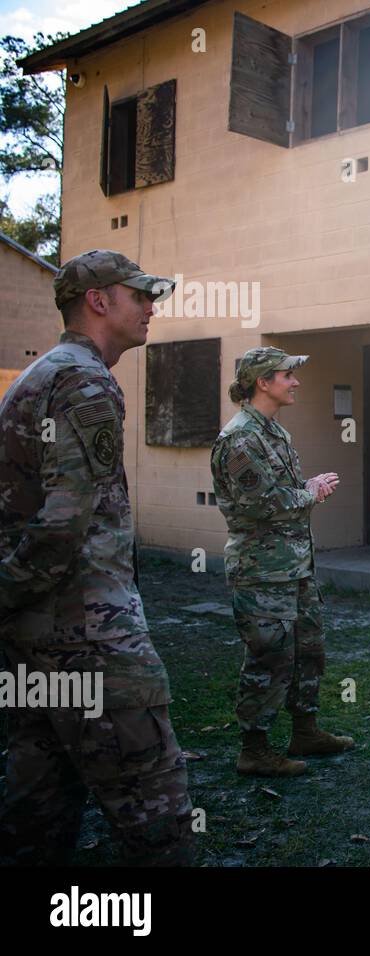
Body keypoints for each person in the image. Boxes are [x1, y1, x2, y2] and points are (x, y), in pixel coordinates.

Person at [0, 249, 193, 865]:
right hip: (88, 634)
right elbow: (64, 521)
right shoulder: (81, 379)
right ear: (99, 301)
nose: (151, 308)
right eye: (140, 295)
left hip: (37, 636)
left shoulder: (45, 374)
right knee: (155, 807)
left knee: (40, 797)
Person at [211, 347, 352, 777]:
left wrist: (306, 487)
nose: (295, 382)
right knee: (269, 656)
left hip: (294, 567)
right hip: (261, 571)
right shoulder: (240, 439)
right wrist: (311, 492)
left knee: (308, 649)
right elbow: (264, 505)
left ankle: (305, 730)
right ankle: (255, 750)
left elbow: (283, 493)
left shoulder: (273, 432)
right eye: (287, 375)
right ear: (263, 382)